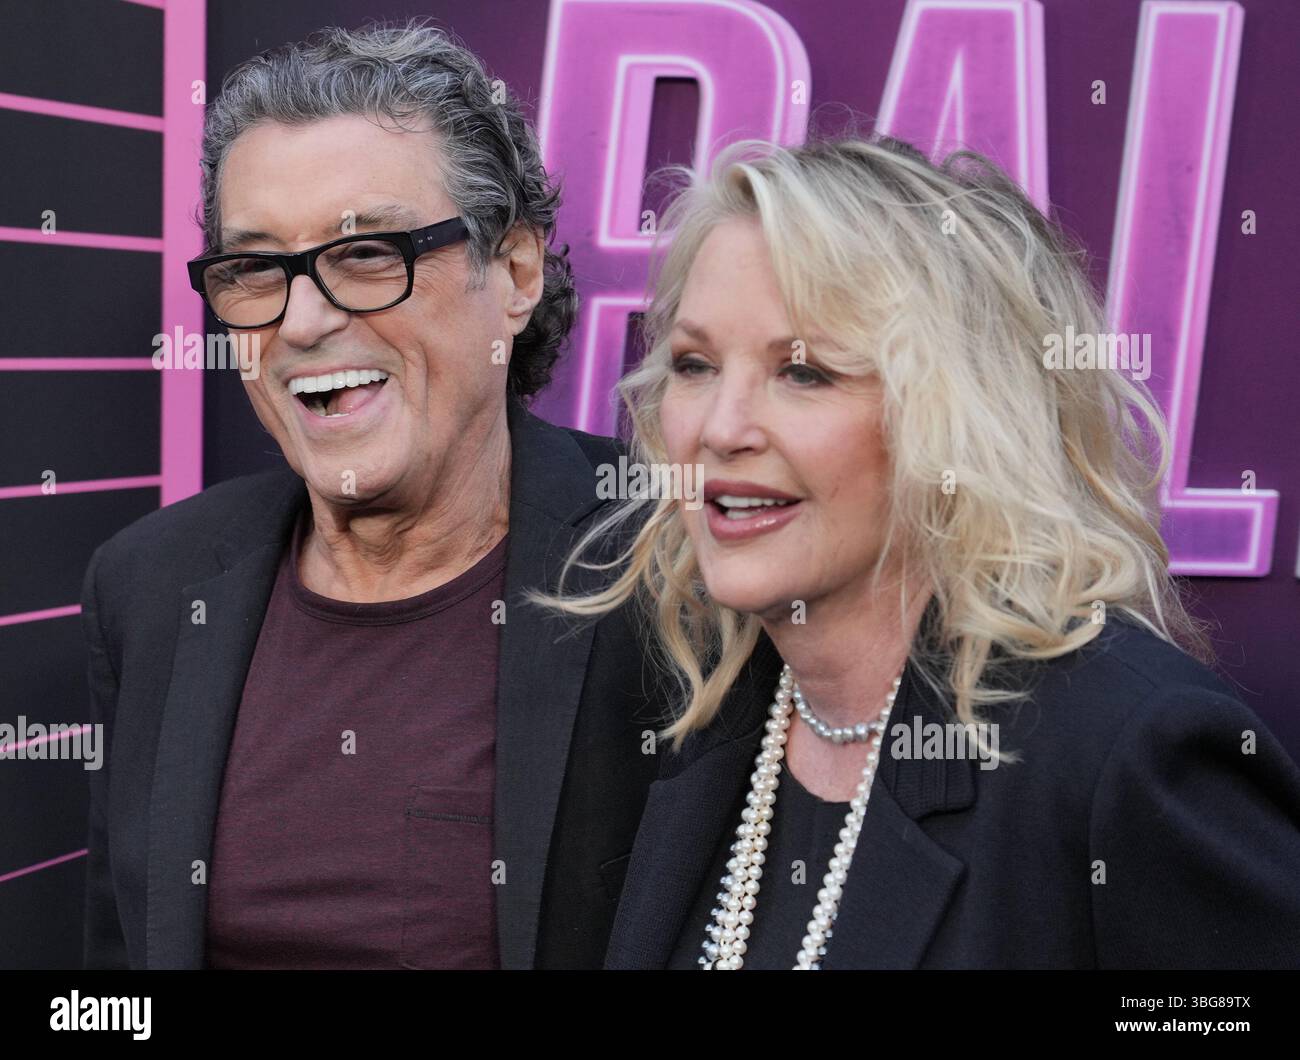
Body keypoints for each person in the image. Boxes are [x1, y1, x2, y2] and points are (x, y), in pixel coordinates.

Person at [539, 135, 1300, 969]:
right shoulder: (696, 725)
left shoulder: (1128, 757)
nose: (719, 428)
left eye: (804, 373)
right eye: (694, 364)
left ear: (959, 416)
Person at [80, 20, 666, 970]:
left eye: (368, 255)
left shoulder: (669, 565)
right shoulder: (148, 585)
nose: (303, 320)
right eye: (255, 269)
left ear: (514, 274)